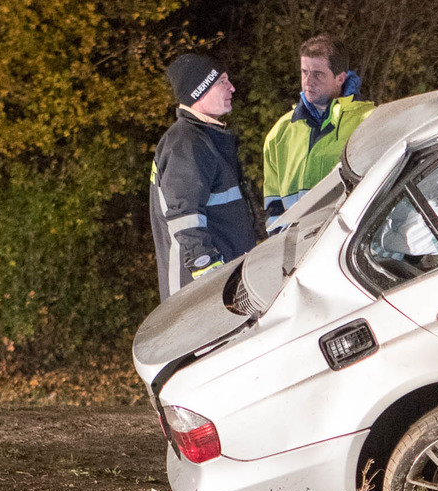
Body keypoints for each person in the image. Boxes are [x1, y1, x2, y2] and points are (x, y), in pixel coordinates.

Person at [150, 53, 257, 300]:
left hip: (227, 281)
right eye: (222, 81)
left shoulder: (203, 139)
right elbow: (185, 219)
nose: (232, 87)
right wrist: (208, 272)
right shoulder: (186, 143)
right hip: (203, 293)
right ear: (200, 90)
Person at [262, 34, 375, 232]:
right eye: (304, 72)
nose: (308, 81)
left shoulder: (367, 121)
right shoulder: (281, 132)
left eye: (318, 74)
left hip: (348, 245)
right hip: (297, 251)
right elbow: (273, 205)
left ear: (340, 78)